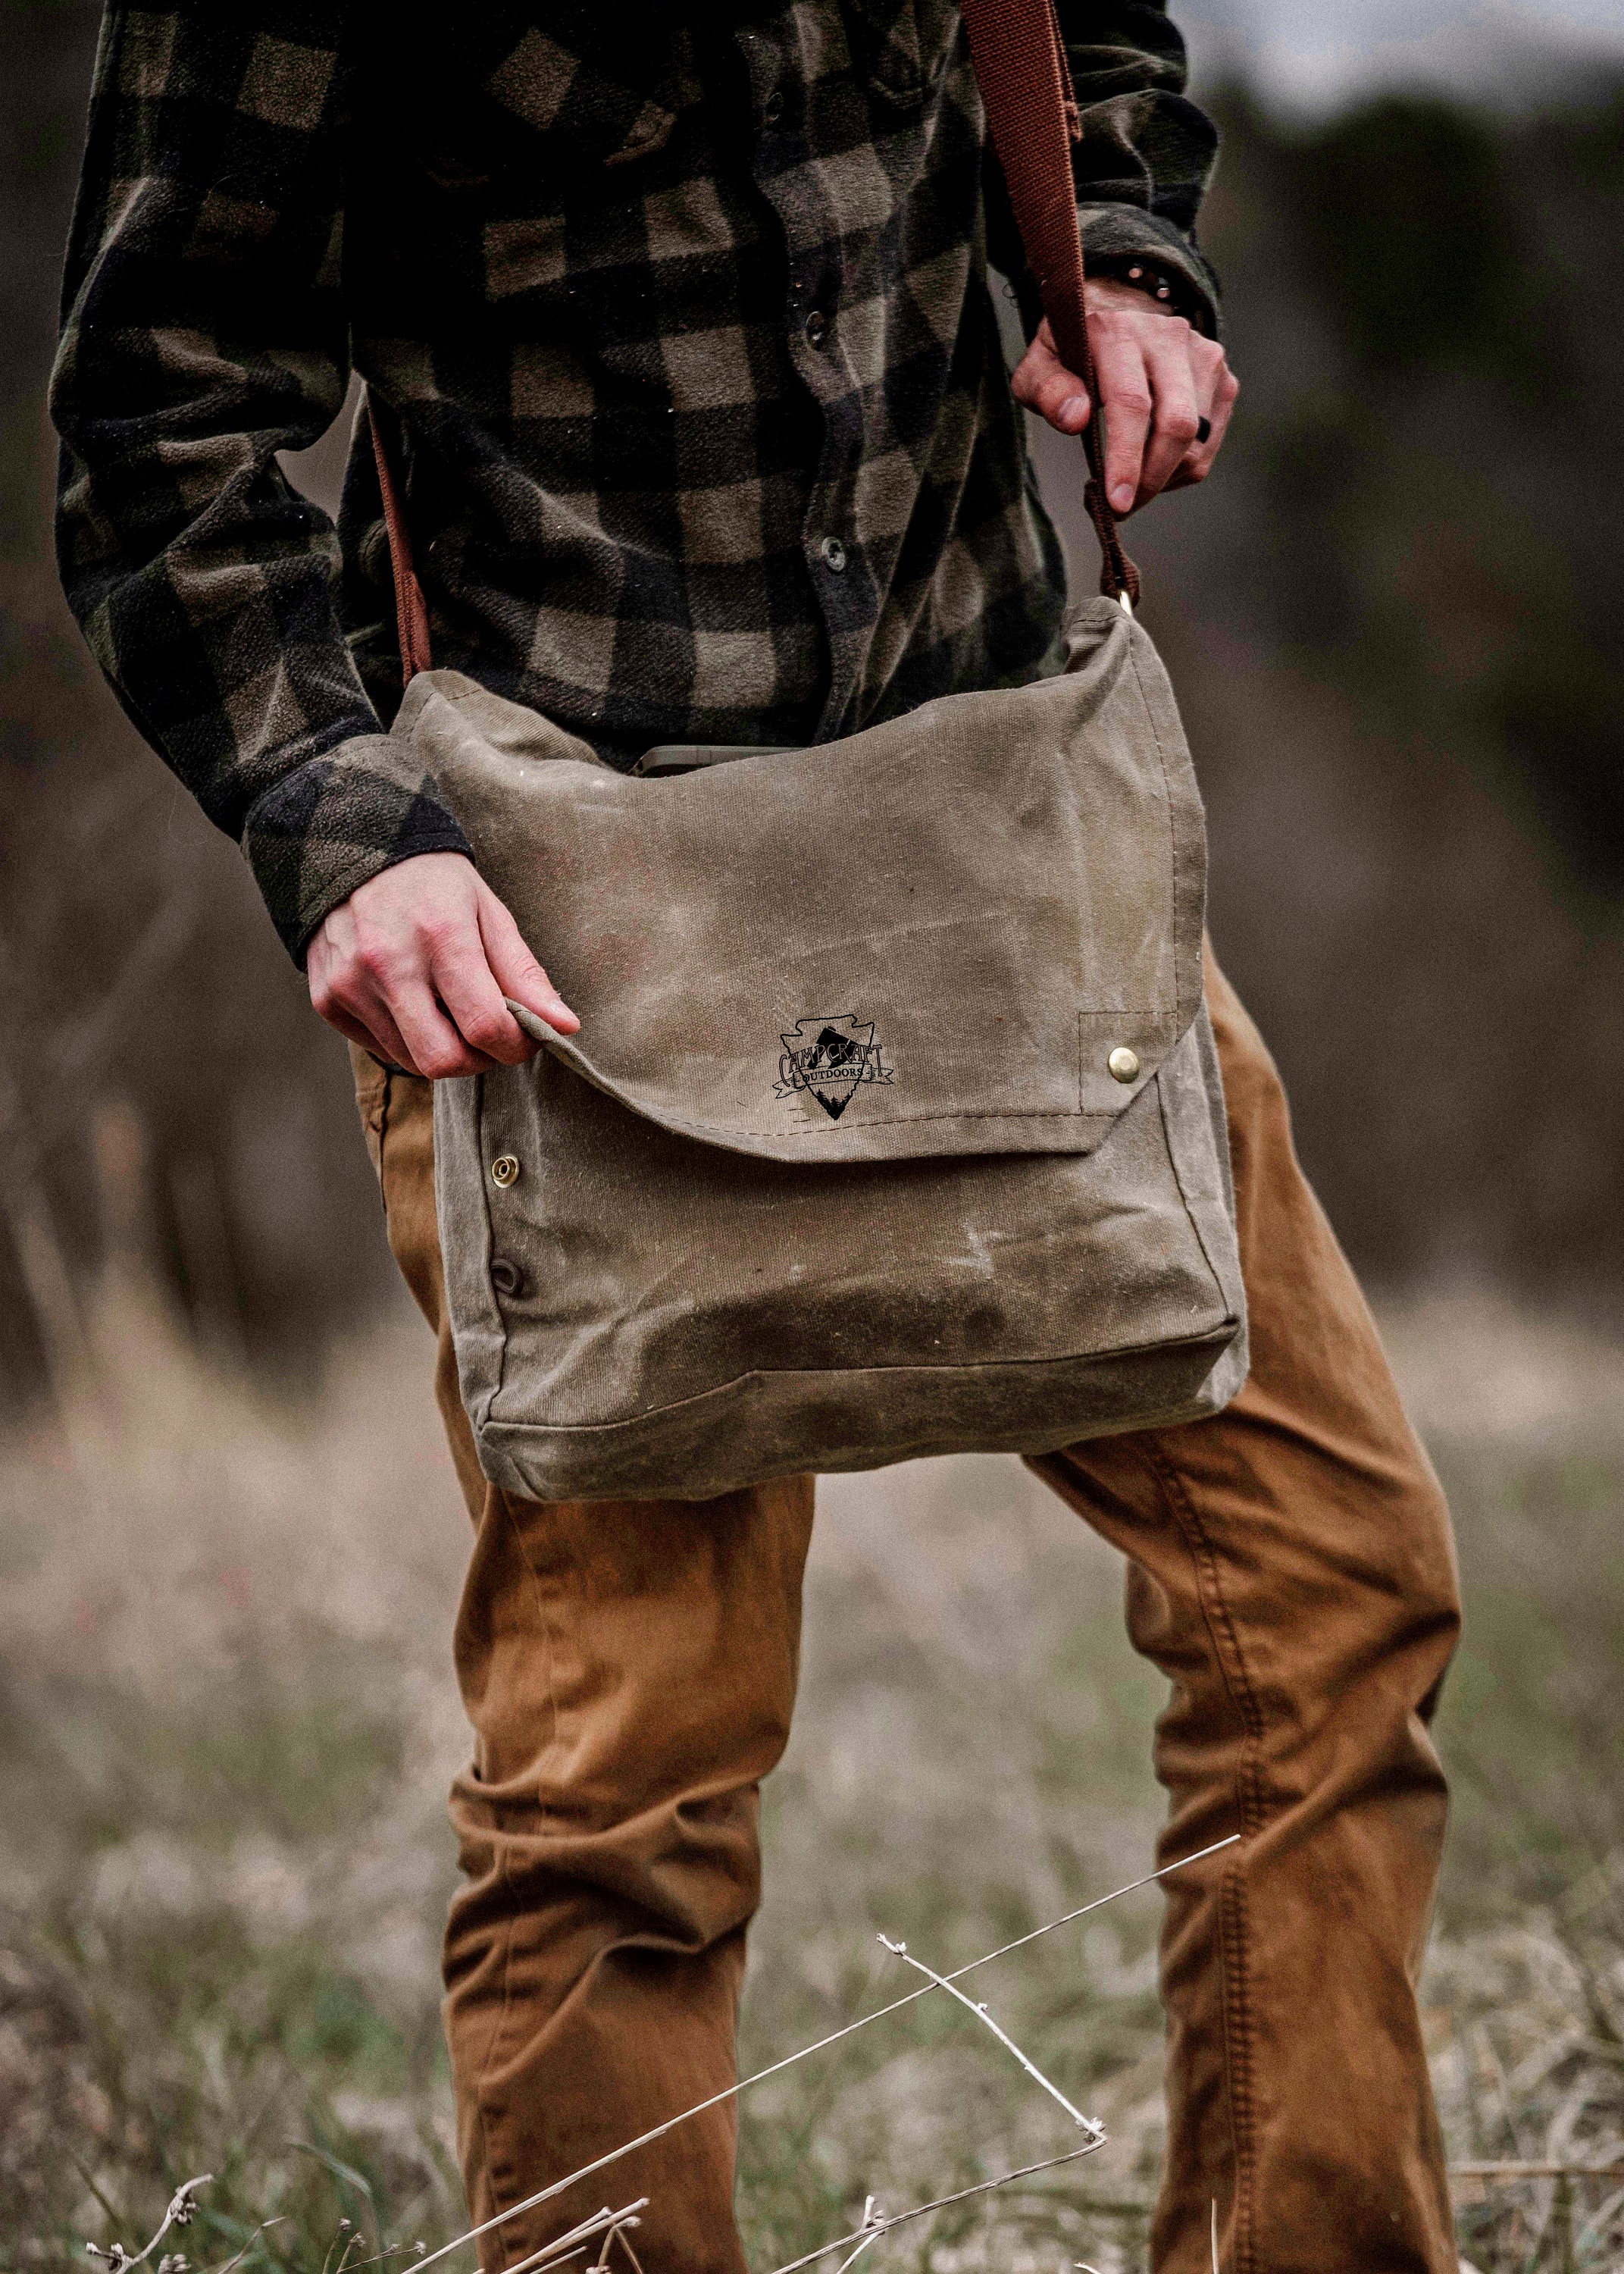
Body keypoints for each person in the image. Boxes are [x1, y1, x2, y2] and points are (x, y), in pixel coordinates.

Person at [52, 7, 1463, 2269]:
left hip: (1008, 821)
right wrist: (341, 823)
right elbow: (162, 403)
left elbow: (1094, 36)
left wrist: (1122, 253)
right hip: (566, 922)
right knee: (621, 1794)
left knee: (1331, 1594)